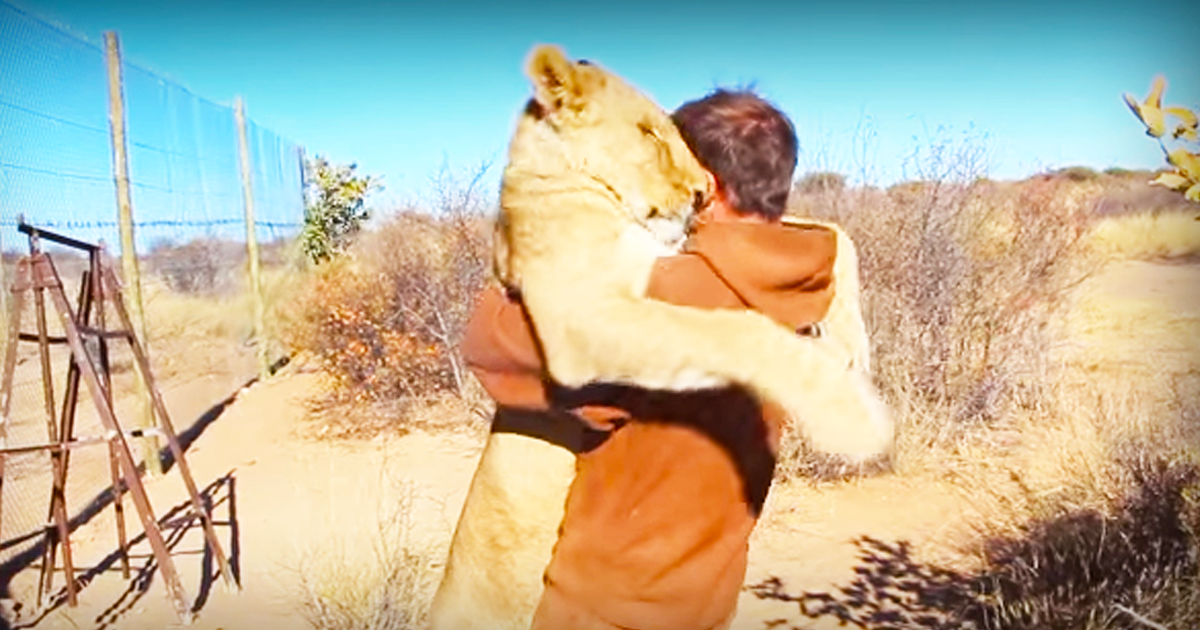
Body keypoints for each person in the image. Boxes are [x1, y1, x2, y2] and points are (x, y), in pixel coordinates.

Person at [461, 88, 849, 630]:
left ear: (704, 185)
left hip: (602, 611)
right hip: (706, 601)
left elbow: (490, 341)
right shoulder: (802, 285)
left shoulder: (665, 299)